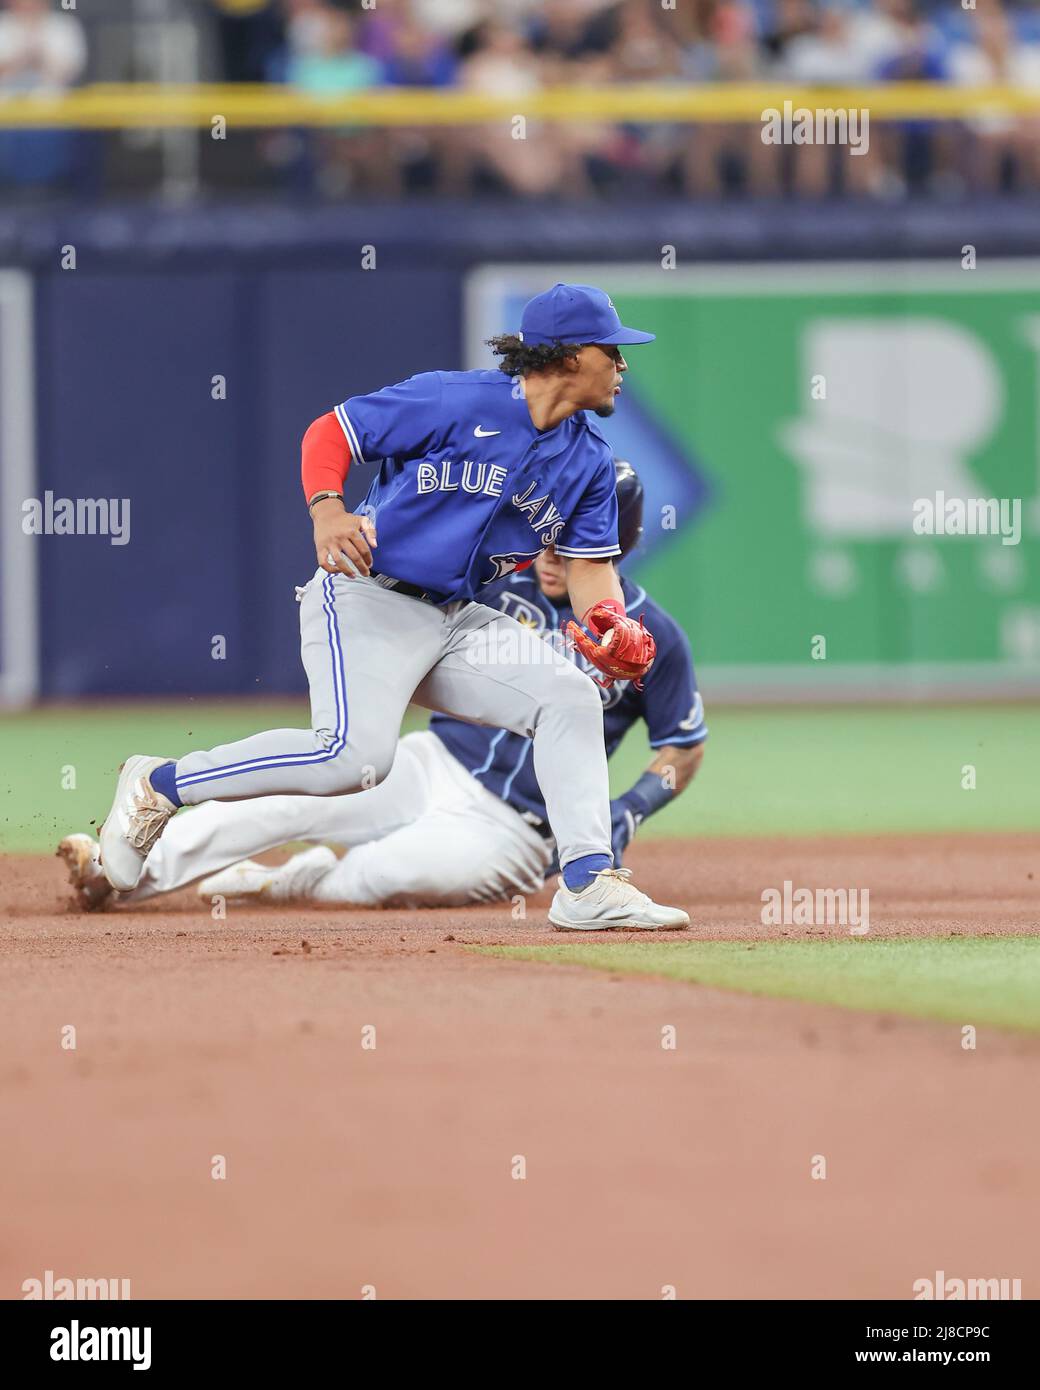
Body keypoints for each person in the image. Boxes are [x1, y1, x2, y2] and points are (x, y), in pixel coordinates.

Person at [96, 283, 689, 930]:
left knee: (569, 696)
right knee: (354, 759)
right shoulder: (456, 398)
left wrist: (612, 625)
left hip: (456, 620)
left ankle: (586, 884)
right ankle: (160, 785)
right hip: (366, 594)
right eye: (613, 351)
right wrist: (327, 509)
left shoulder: (590, 463)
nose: (623, 366)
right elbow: (331, 432)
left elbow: (591, 570)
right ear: (571, 356)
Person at [59, 462, 706, 919]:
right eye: (551, 536)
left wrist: (632, 808)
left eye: (573, 544)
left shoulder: (657, 638)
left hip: (516, 827)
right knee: (289, 800)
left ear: (614, 543)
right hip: (435, 762)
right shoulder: (496, 580)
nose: (552, 555)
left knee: (388, 873)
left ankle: (298, 879)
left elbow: (683, 746)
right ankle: (123, 873)